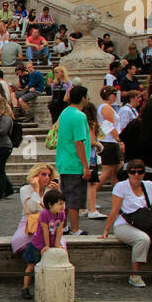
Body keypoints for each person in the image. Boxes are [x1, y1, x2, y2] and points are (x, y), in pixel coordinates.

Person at [102, 159, 152, 289]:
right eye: (132, 172)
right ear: (128, 173)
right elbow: (115, 210)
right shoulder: (121, 186)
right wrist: (106, 230)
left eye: (139, 172)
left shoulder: (149, 185)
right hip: (124, 223)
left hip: (145, 222)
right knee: (142, 239)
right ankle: (135, 274)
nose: (136, 175)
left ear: (144, 173)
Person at [55, 84, 91, 237]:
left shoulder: (65, 112)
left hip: (64, 161)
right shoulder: (79, 116)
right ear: (83, 97)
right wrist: (85, 166)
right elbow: (79, 142)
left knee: (67, 196)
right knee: (75, 198)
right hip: (74, 162)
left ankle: (64, 226)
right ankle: (75, 229)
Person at [11, 162, 57, 254]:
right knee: (21, 239)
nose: (47, 177)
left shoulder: (51, 190)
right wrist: (36, 190)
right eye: (44, 174)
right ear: (35, 176)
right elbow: (32, 208)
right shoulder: (25, 189)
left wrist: (57, 193)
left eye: (49, 175)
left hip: (48, 222)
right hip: (30, 221)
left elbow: (56, 210)